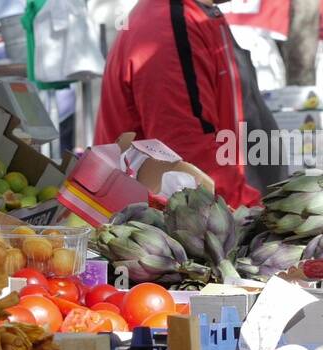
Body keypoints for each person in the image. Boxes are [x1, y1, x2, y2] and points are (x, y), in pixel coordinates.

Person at [94, 0, 285, 208]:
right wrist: (251, 213)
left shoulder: (196, 14)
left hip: (204, 214)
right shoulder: (170, 25)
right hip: (170, 221)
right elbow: (189, 159)